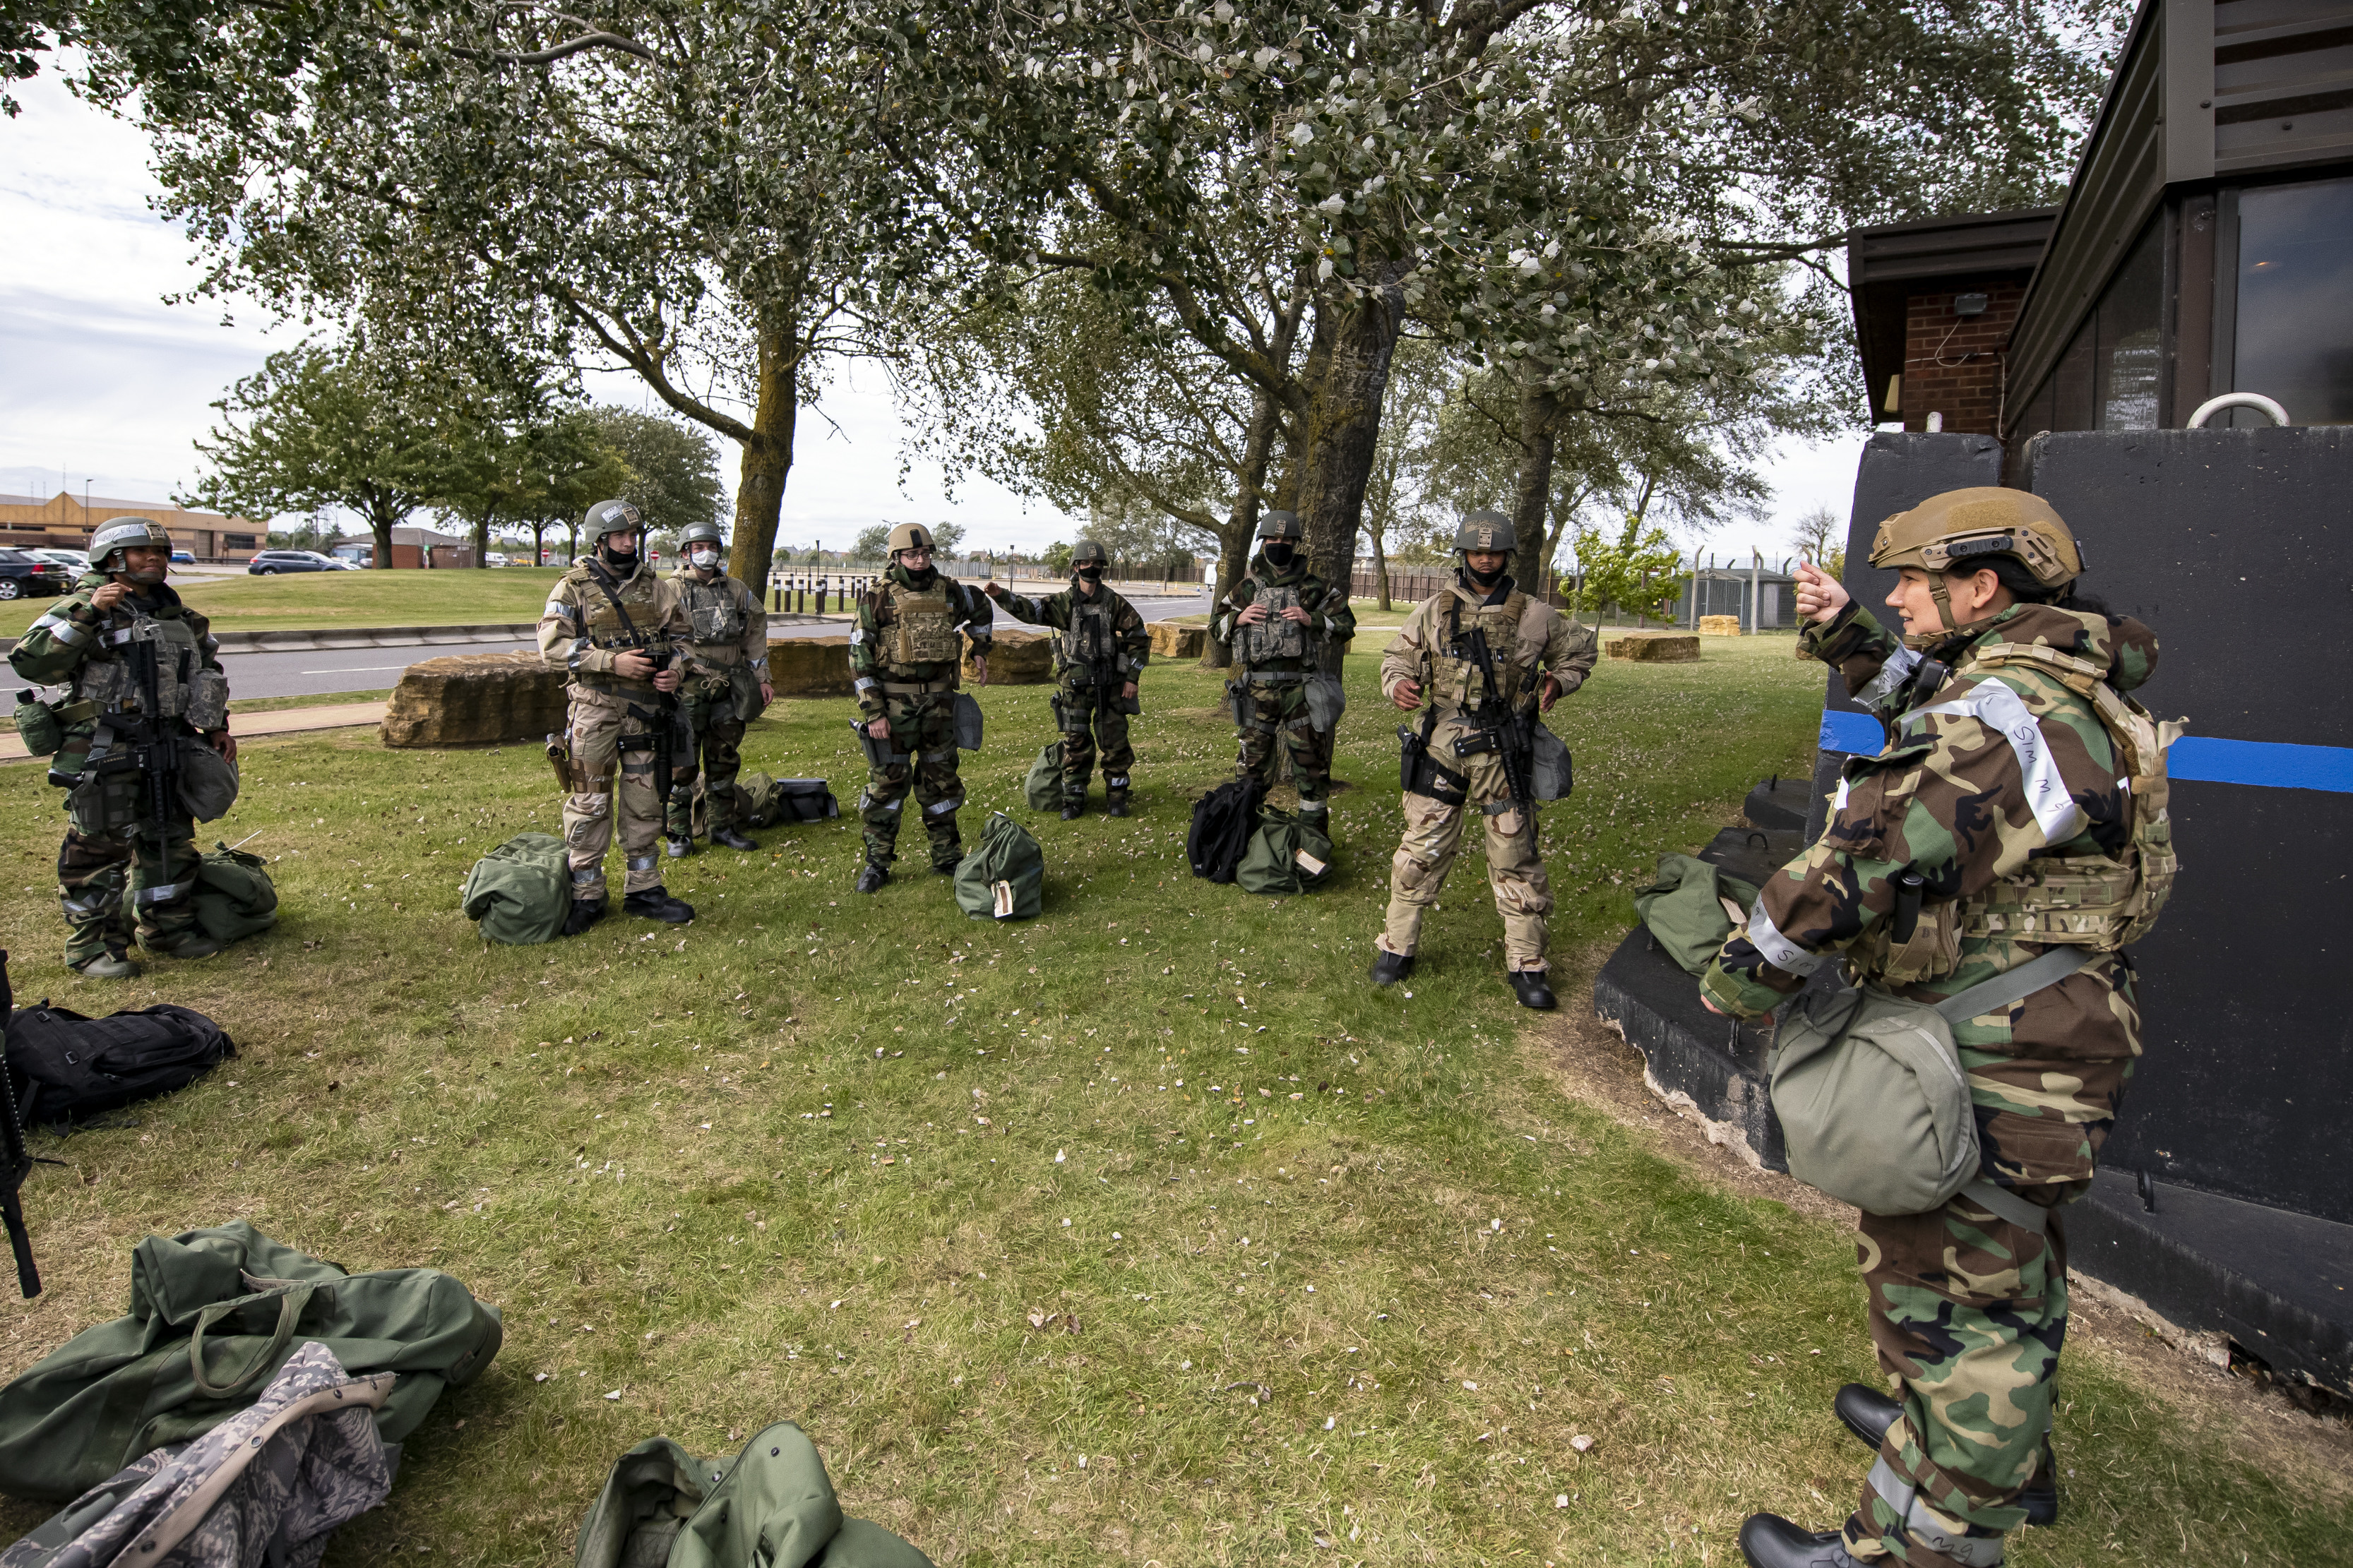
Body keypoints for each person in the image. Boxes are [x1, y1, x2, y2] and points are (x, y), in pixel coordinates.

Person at [1700, 489, 2168, 1568]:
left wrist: (1742, 973)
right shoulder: (2045, 676)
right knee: (2008, 1268)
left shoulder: (2009, 711)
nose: (1897, 596)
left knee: (1958, 1301)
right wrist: (1843, 632)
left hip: (2002, 1047)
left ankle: (1920, 1542)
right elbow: (1922, 695)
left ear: (1983, 589)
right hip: (2048, 1029)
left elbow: (1866, 851)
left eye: (1913, 581)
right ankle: (1990, 1457)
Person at [1371, 510, 1595, 1010]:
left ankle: (1528, 963)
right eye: (1477, 551)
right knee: (1420, 848)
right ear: (1465, 555)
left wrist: (1558, 681)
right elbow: (1396, 659)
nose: (1486, 558)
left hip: (1504, 748)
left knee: (1516, 855)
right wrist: (1399, 686)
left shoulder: (1536, 614)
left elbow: (1581, 651)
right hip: (1443, 746)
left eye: (1494, 552)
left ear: (1507, 556)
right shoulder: (1433, 610)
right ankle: (1397, 946)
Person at [8, 518, 237, 976]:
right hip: (103, 746)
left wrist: (217, 726)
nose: (154, 558)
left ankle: (167, 929)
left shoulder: (181, 617)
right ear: (111, 558)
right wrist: (88, 613)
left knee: (169, 839)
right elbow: (31, 663)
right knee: (98, 848)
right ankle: (93, 947)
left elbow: (206, 668)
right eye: (140, 551)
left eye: (160, 551)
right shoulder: (82, 605)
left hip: (168, 743)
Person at [538, 499, 700, 930]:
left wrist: (675, 670)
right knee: (590, 802)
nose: (629, 544)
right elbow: (552, 647)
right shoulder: (572, 587)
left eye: (634, 536)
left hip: (645, 711)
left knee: (645, 798)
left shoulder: (656, 587)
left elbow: (684, 637)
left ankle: (644, 889)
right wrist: (612, 663)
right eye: (620, 537)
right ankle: (586, 894)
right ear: (600, 541)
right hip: (595, 709)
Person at [848, 523, 994, 892]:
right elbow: (859, 657)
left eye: (926, 553)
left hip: (940, 706)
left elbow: (982, 610)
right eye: (912, 554)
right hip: (895, 708)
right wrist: (874, 712)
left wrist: (979, 648)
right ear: (896, 557)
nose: (920, 560)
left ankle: (947, 858)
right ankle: (877, 864)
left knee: (941, 785)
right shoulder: (877, 598)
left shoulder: (950, 591)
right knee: (887, 787)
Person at [1208, 510, 1354, 832]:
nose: (1279, 544)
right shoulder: (1245, 589)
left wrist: (1311, 619)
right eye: (1272, 539)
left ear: (1296, 543)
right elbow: (1214, 628)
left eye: (1286, 539)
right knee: (1251, 766)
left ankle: (1313, 841)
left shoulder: (1316, 588)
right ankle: (1244, 837)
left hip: (1302, 691)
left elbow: (1346, 626)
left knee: (1311, 767)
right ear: (1262, 543)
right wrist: (1237, 620)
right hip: (1257, 691)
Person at [983, 539, 1150, 818]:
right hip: (1074, 687)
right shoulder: (1065, 603)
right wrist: (1001, 595)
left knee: (1115, 742)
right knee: (1076, 743)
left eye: (1098, 564)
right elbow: (1031, 610)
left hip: (1110, 686)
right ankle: (1073, 798)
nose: (1092, 568)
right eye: (1087, 563)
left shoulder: (1113, 602)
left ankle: (1118, 796)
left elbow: (1139, 639)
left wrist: (1131, 678)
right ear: (1076, 567)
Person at [665, 518, 771, 856]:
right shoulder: (669, 590)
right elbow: (657, 636)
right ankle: (678, 832)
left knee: (724, 759)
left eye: (712, 548)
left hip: (730, 685)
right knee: (681, 761)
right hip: (686, 687)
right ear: (685, 553)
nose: (706, 554)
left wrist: (763, 678)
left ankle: (722, 827)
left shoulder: (737, 590)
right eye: (698, 548)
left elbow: (755, 632)